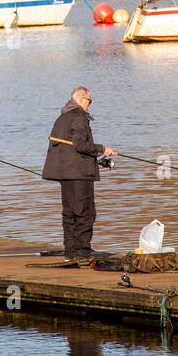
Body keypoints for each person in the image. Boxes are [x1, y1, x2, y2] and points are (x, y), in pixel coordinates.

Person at [42, 86, 115, 263]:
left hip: (65, 173)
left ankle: (70, 252)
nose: (90, 105)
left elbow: (69, 149)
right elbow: (81, 145)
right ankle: (82, 252)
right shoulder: (79, 117)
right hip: (79, 174)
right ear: (82, 99)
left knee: (69, 212)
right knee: (85, 212)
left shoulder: (63, 116)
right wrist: (102, 149)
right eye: (90, 101)